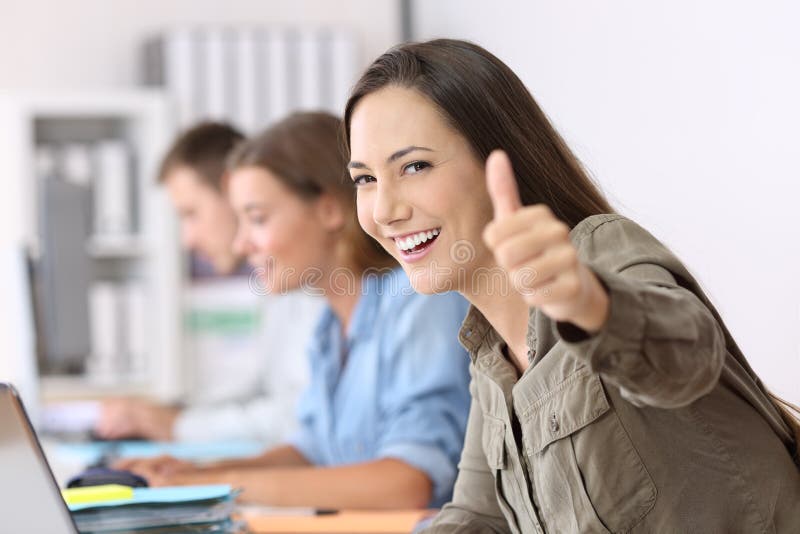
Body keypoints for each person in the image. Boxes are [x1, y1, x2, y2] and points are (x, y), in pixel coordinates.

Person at [344, 39, 800, 532]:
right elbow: (478, 517)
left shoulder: (597, 252)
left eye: (414, 166)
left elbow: (689, 357)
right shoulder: (491, 356)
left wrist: (590, 304)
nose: (385, 210)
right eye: (365, 179)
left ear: (501, 160)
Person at [117, 112, 472, 509]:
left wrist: (221, 482)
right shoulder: (327, 326)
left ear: (328, 210)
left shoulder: (415, 298)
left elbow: (408, 483)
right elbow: (310, 449)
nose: (241, 245)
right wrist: (192, 475)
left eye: (257, 218)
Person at [95, 122, 322, 443]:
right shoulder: (281, 286)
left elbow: (299, 416)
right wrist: (168, 415)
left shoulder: (313, 287)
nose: (188, 240)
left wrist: (177, 426)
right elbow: (261, 391)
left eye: (191, 214)